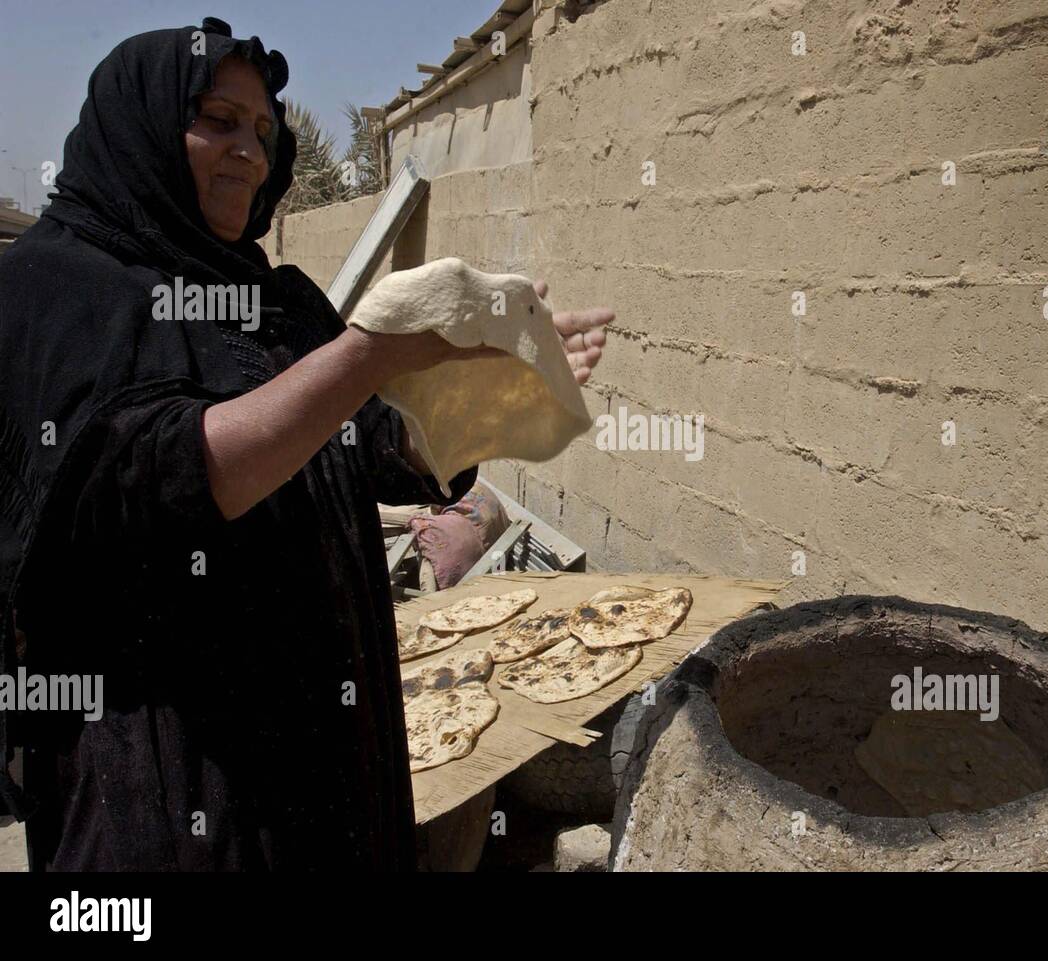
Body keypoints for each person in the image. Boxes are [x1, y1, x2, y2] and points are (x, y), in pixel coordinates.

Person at [0, 17, 609, 870]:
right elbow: (168, 475)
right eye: (217, 118)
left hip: (328, 767)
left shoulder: (273, 300)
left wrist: (494, 397)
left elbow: (373, 453)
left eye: (260, 128)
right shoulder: (53, 289)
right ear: (136, 125)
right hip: (164, 782)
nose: (249, 149)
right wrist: (369, 355)